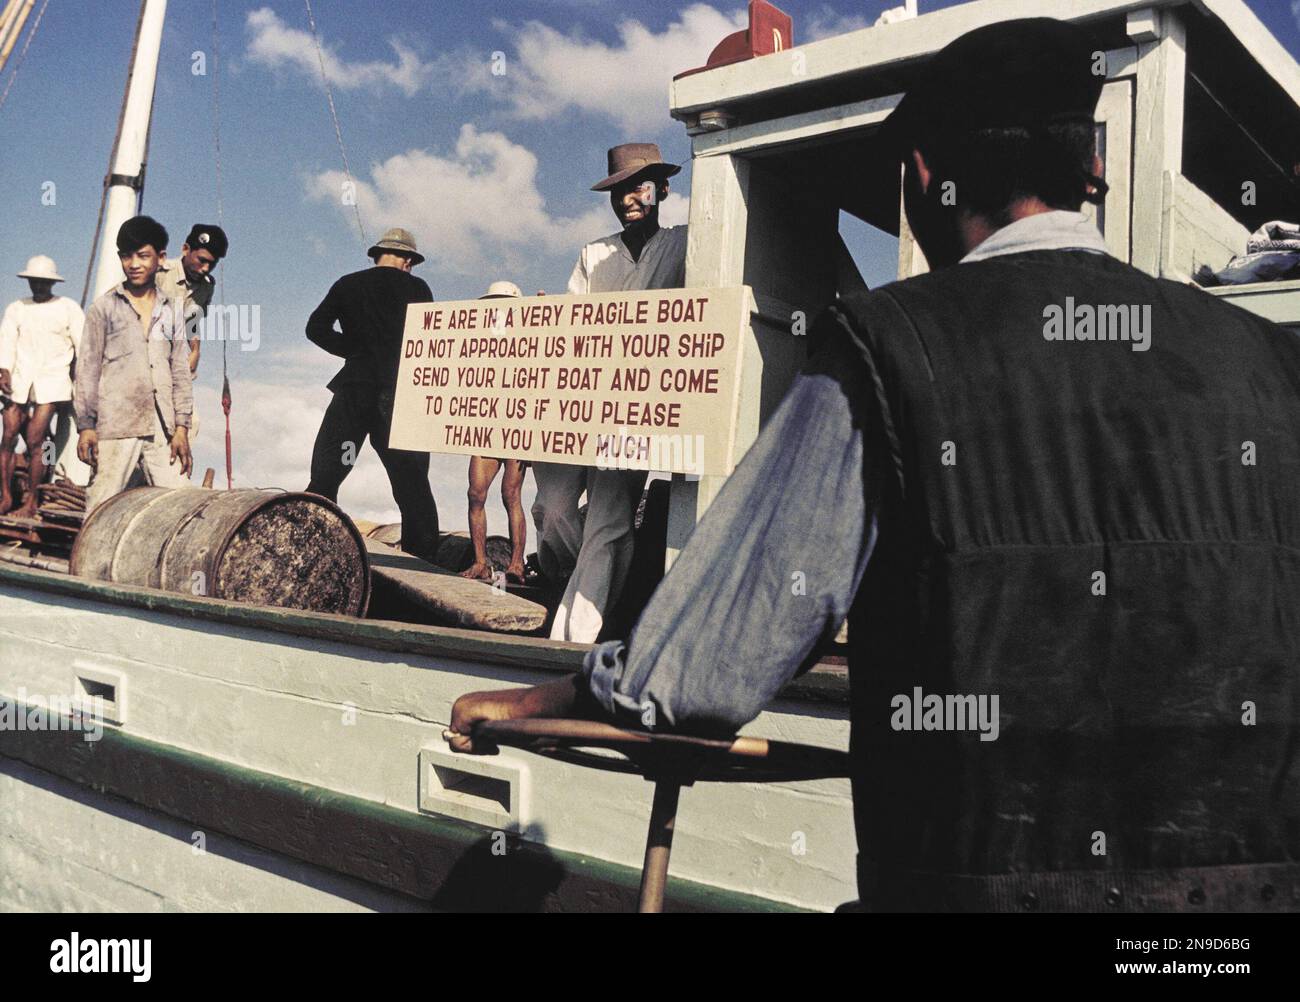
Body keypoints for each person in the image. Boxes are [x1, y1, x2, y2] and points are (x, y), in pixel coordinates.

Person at [448, 19, 1300, 912]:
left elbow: (694, 673)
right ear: (1092, 170)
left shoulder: (889, 348)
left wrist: (548, 692)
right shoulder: (1271, 362)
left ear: (926, 178)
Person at [531, 142, 688, 642]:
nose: (627, 200)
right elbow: (574, 322)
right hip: (581, 401)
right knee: (552, 511)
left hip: (636, 404)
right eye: (619, 191)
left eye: (638, 187)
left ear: (662, 189)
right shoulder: (594, 252)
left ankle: (574, 638)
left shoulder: (683, 244)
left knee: (609, 522)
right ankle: (603, 587)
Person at [305, 227, 439, 561]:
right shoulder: (418, 288)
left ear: (377, 254)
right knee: (411, 485)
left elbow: (315, 328)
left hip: (354, 389)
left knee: (327, 474)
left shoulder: (347, 283)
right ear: (408, 260)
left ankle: (311, 549)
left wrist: (352, 349)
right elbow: (430, 341)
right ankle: (422, 564)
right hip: (398, 395)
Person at [77, 216, 193, 513]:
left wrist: (181, 427)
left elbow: (180, 371)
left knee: (178, 506)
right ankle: (89, 561)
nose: (134, 264)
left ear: (161, 259)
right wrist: (86, 426)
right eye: (127, 256)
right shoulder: (104, 307)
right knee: (101, 507)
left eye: (143, 255)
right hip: (116, 424)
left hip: (163, 427)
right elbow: (87, 370)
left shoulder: (172, 310)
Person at [0, 256, 84, 516]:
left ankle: (33, 501)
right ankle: (5, 496)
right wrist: (3, 369)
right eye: (34, 281)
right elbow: (6, 341)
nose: (38, 286)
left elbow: (83, 345)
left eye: (43, 282)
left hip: (53, 382)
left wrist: (82, 381)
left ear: (52, 283)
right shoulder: (17, 308)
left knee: (40, 440)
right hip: (20, 380)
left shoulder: (68, 307)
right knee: (8, 436)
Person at [462, 280, 529, 584]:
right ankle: (480, 563)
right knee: (476, 492)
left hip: (517, 423)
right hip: (487, 424)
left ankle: (517, 564)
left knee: (510, 493)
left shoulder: (532, 339)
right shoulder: (479, 341)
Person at [156, 223, 228, 379]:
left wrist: (195, 350)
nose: (206, 269)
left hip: (171, 366)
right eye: (202, 260)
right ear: (186, 250)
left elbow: (192, 323)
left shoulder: (207, 287)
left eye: (212, 264)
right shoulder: (159, 272)